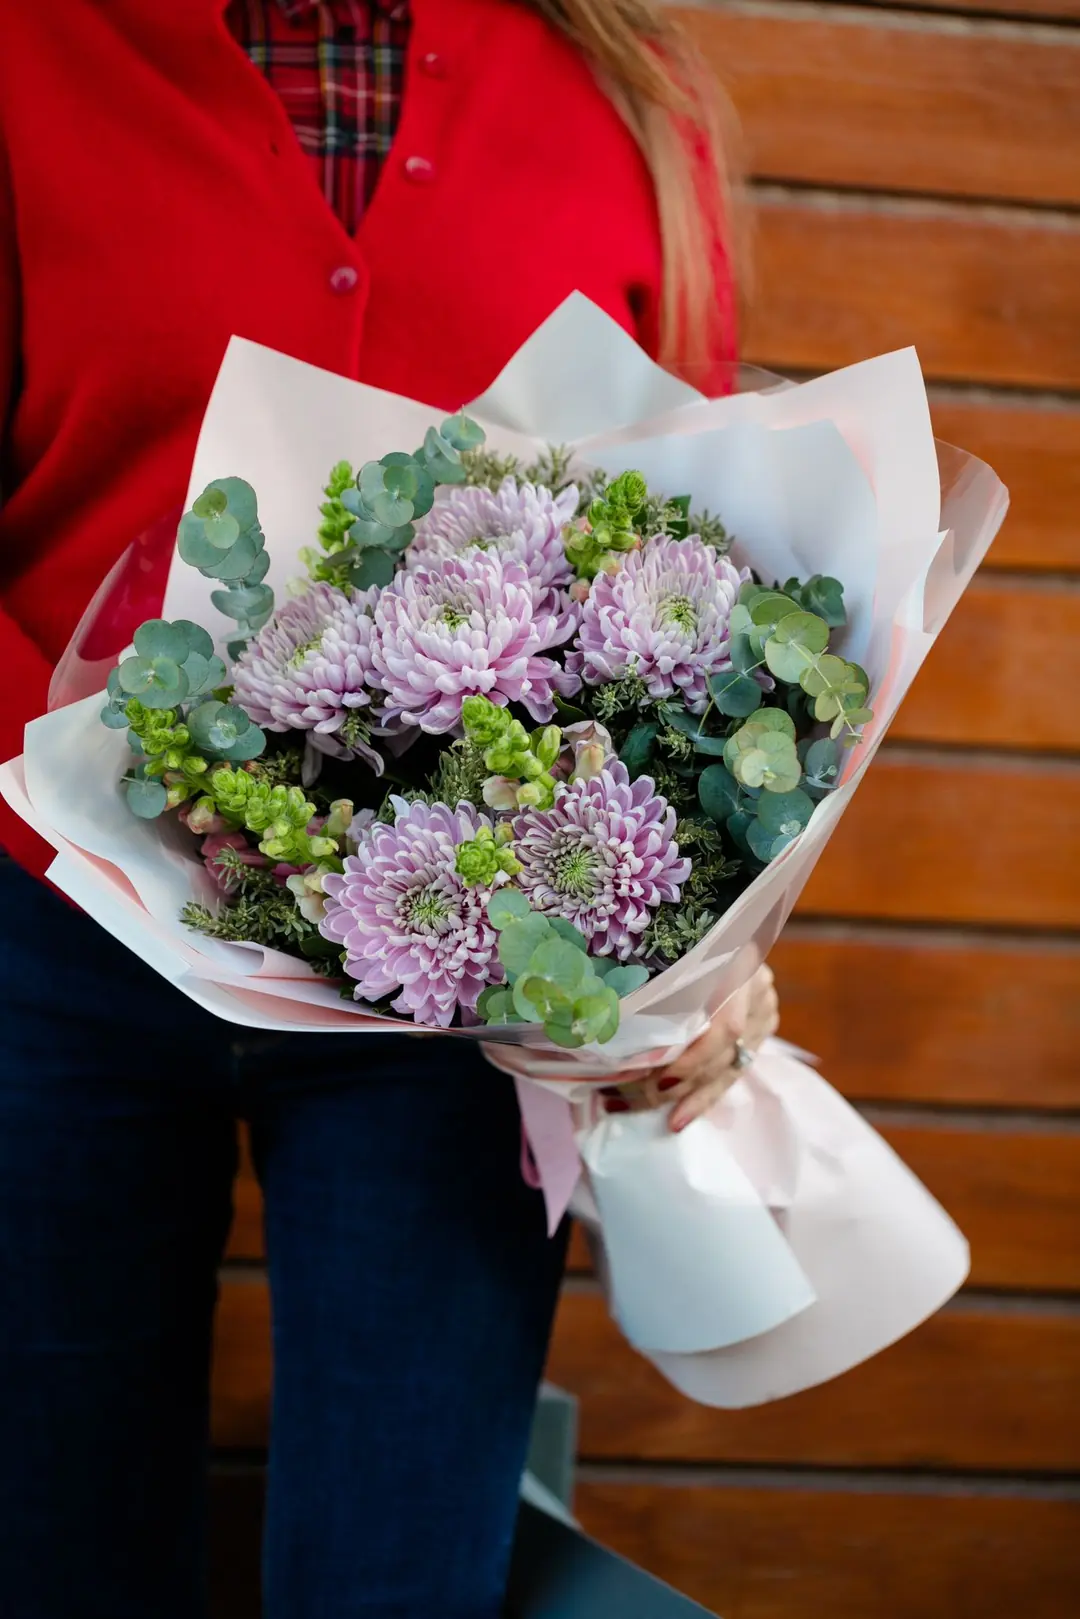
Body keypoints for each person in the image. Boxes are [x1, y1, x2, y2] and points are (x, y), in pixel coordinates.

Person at [0, 2, 777, 1614]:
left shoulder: (635, 104)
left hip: (454, 985)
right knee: (47, 1546)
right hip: (43, 939)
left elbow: (693, 586)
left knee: (402, 1575)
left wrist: (708, 936)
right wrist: (112, 806)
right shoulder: (31, 52)